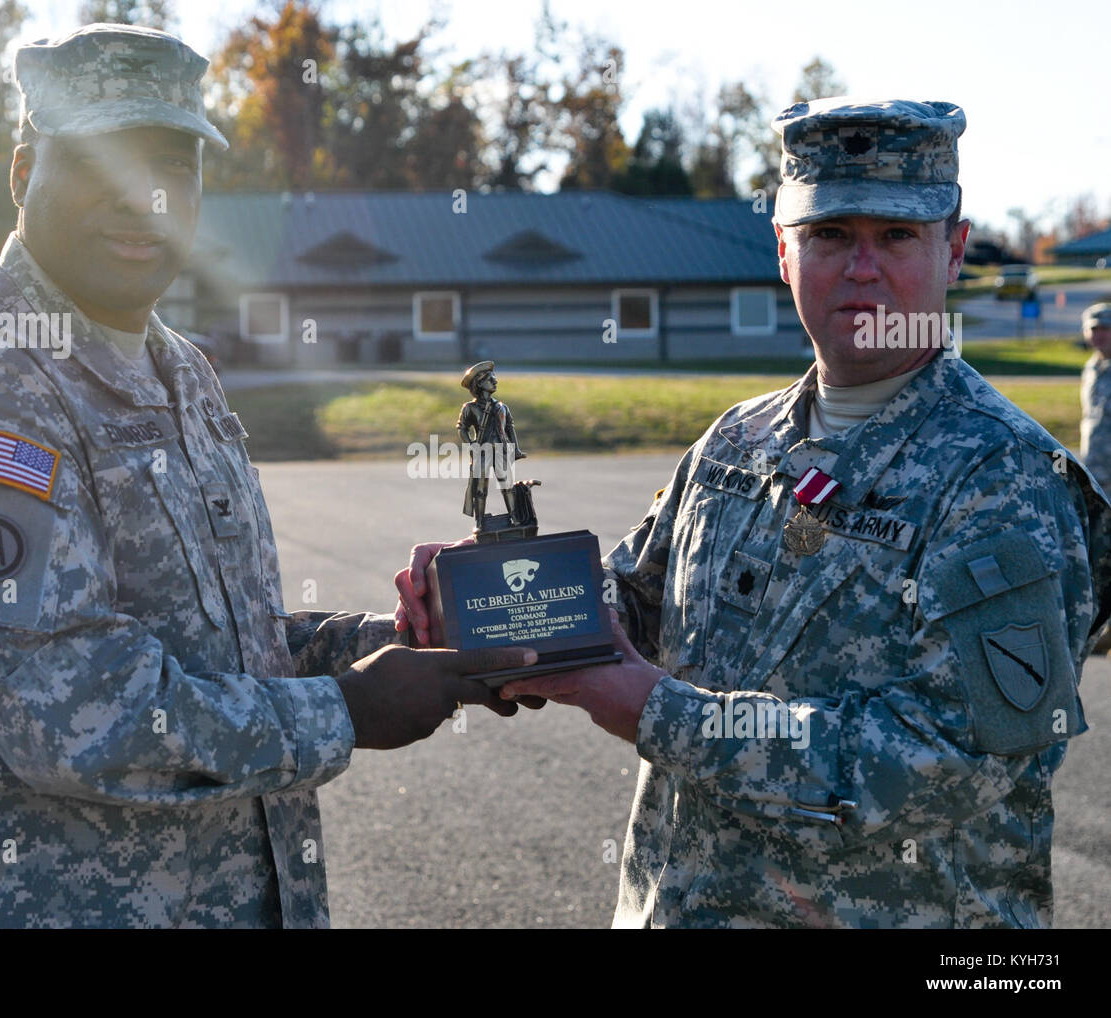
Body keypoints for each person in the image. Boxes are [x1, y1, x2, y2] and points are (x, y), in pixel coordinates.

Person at [0, 23, 530, 929]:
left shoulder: (178, 368)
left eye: (172, 164)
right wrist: (345, 708)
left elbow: (209, 641)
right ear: (23, 171)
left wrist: (383, 643)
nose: (140, 198)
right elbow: (71, 707)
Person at [396, 98, 1111, 928]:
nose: (863, 266)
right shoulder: (736, 440)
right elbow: (634, 598)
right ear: (783, 250)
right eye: (831, 235)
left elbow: (951, 758)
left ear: (954, 250)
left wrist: (654, 710)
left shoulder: (1006, 475)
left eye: (897, 236)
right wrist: (492, 598)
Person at [457, 360, 526, 526]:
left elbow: (510, 428)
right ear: (479, 383)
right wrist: (471, 443)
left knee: (507, 486)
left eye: (494, 377)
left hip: (501, 451)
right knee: (480, 489)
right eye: (490, 379)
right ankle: (479, 521)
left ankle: (514, 518)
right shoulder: (470, 408)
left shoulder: (502, 407)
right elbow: (462, 428)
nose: (495, 381)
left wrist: (516, 449)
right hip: (482, 452)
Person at [1079, 302, 1111, 492]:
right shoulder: (1092, 368)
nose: (1099, 334)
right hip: (1095, 470)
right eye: (1094, 328)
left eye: (1106, 328)